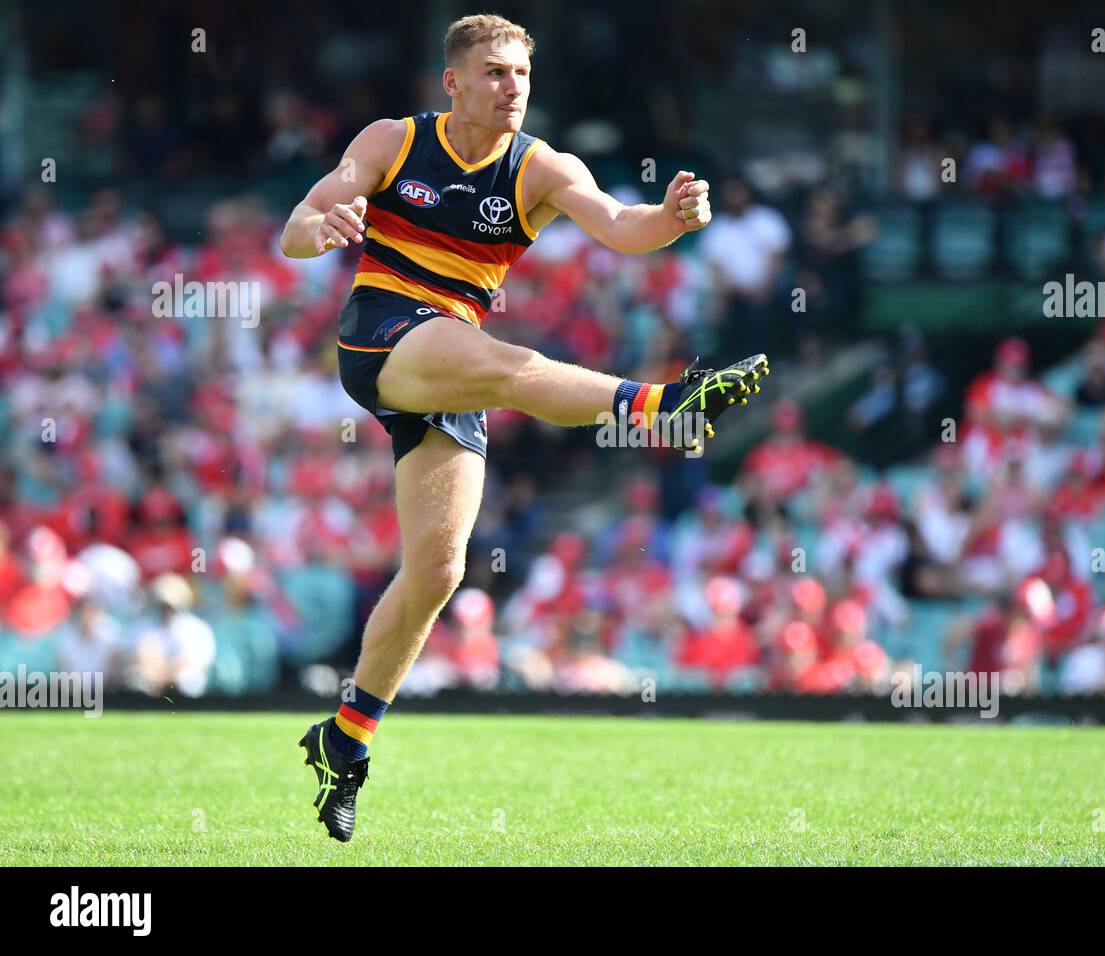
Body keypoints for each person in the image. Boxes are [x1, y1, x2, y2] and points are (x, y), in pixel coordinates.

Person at [279, 13, 771, 842]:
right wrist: (319, 229)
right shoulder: (395, 141)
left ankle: (345, 742)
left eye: (524, 75)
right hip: (385, 332)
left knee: (437, 573)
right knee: (507, 367)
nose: (515, 88)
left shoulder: (539, 165)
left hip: (452, 364)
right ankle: (660, 408)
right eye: (498, 72)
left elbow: (622, 228)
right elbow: (299, 222)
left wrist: (677, 217)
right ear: (455, 82)